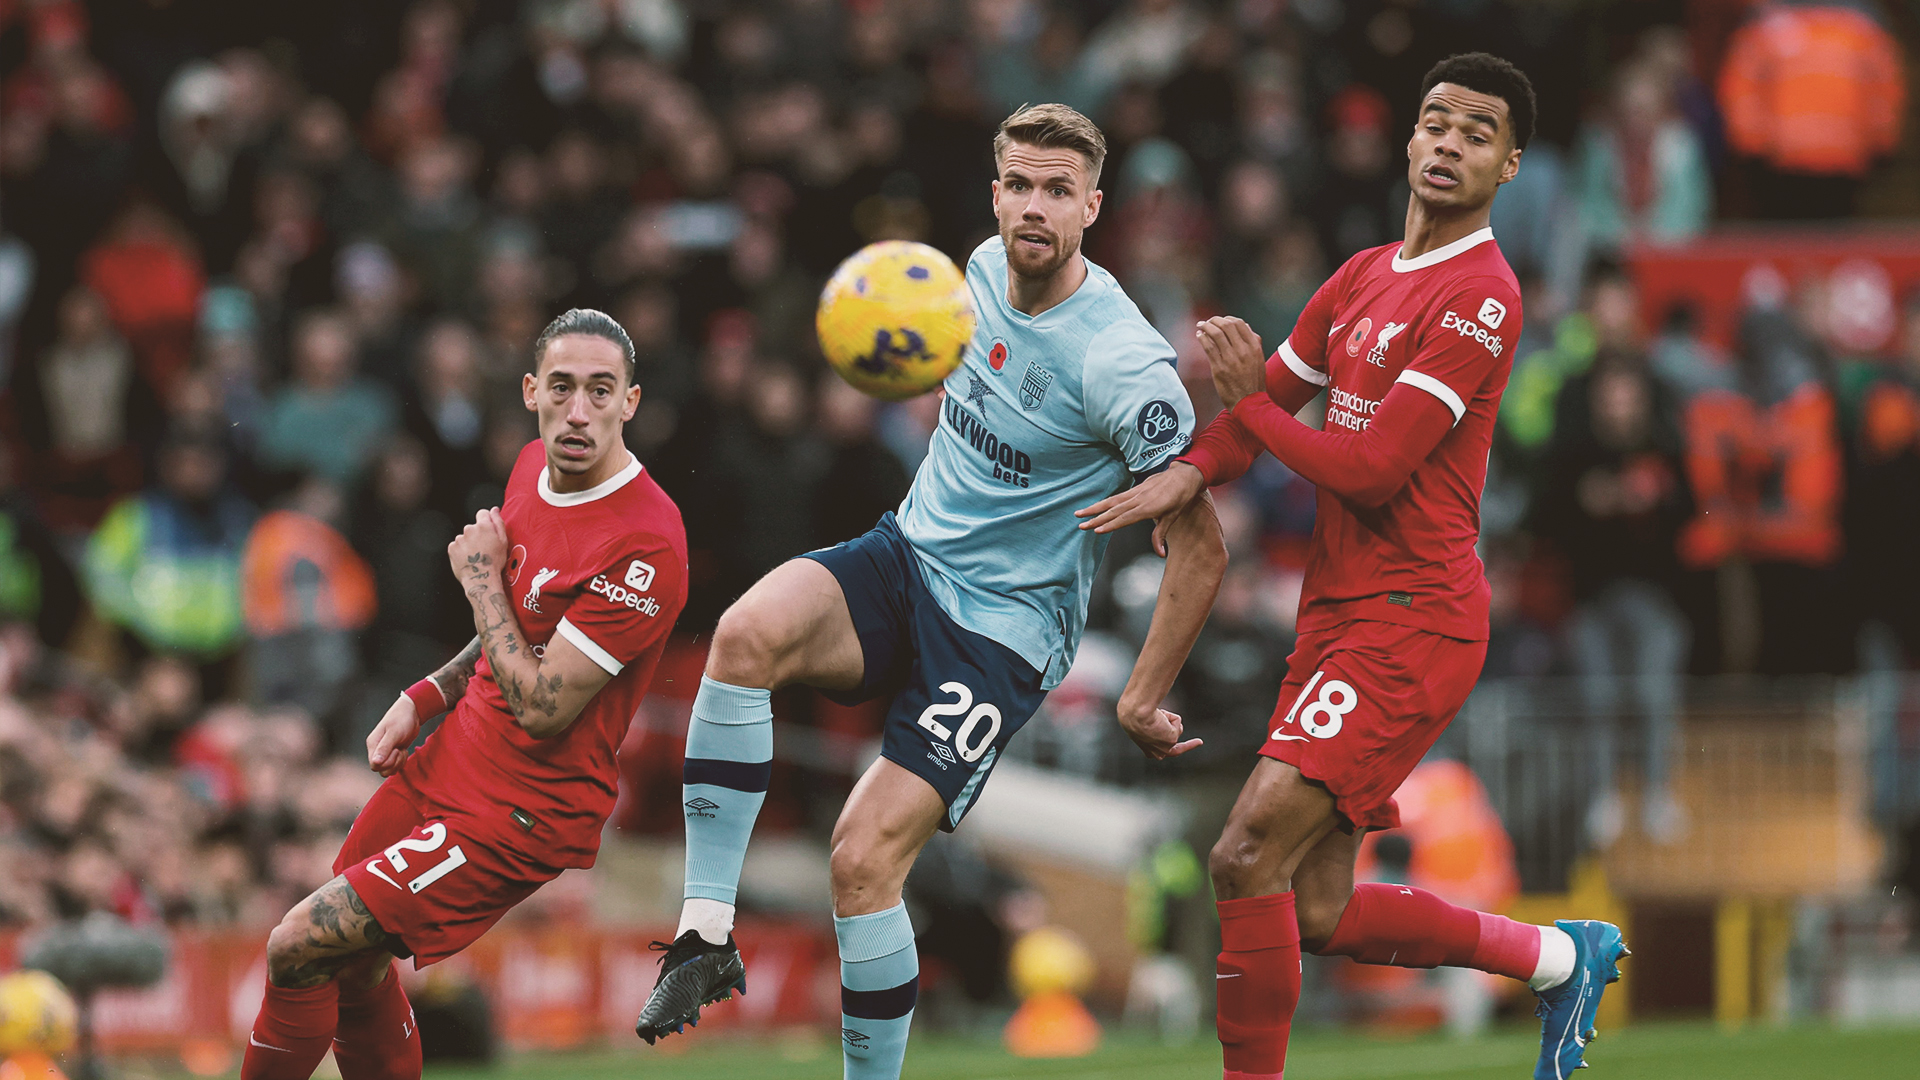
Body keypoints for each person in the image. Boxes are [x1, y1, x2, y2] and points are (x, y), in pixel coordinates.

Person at [634, 104, 1228, 1080]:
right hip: (907, 556)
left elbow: (1202, 549)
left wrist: (1142, 693)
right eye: (1020, 186)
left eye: (1058, 191)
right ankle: (704, 932)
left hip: (999, 635)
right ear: (995, 194)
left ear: (1092, 208)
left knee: (861, 860)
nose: (1034, 207)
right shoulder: (972, 276)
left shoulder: (1122, 362)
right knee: (743, 635)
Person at [1078, 55, 1628, 1080]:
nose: (1449, 144)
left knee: (1243, 854)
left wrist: (1246, 405)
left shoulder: (1483, 297)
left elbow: (1371, 468)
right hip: (1339, 615)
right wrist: (1183, 478)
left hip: (1412, 619)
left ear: (1510, 165)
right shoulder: (1363, 273)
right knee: (1317, 909)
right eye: (1437, 122)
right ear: (1410, 139)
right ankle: (1559, 958)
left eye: (1477, 133)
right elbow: (1262, 415)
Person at [240, 309, 687, 1080]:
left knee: (299, 942)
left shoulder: (645, 544)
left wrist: (480, 582)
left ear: (630, 402)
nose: (579, 411)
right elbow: (515, 629)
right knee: (351, 963)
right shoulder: (529, 470)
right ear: (531, 391)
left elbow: (543, 705)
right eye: (562, 387)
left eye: (600, 390)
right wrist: (427, 695)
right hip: (451, 760)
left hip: (522, 812)